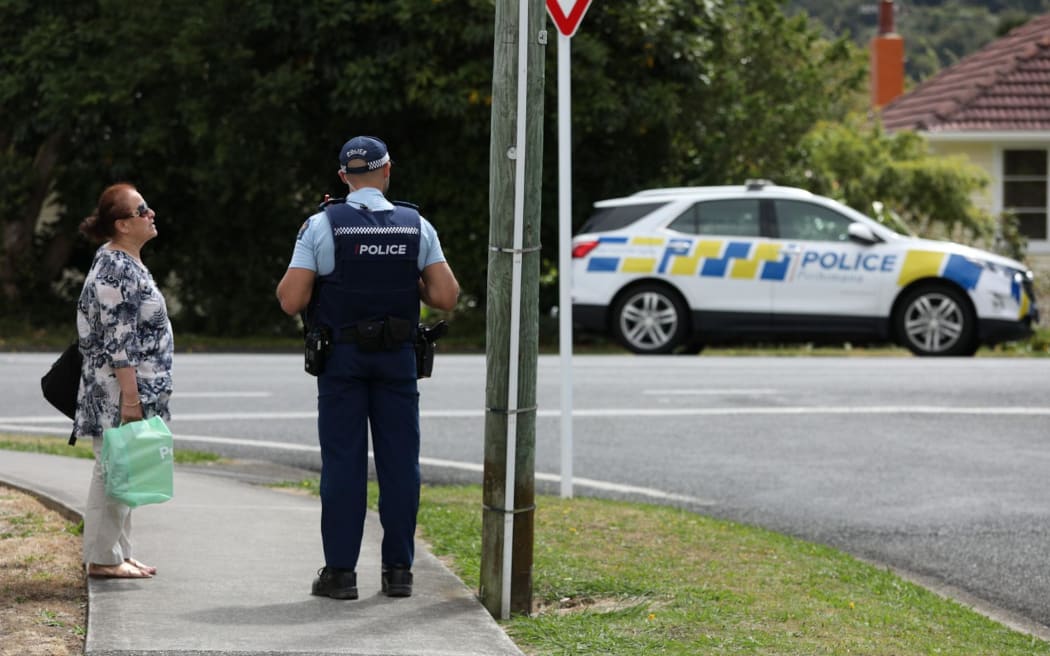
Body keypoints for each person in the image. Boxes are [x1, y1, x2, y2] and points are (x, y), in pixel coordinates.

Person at [276, 136, 459, 600]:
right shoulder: (416, 226)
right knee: (401, 466)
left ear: (343, 177)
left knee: (343, 465)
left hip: (342, 360)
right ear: (387, 170)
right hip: (397, 358)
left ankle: (340, 574)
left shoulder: (320, 226)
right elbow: (445, 296)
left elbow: (291, 299)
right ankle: (399, 572)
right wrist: (406, 278)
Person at [75, 183, 174, 579]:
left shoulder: (126, 261)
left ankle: (118, 553)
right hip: (118, 392)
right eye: (142, 210)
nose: (151, 213)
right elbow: (120, 341)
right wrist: (131, 399)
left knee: (125, 468)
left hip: (131, 391)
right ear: (122, 224)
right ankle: (102, 558)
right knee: (113, 469)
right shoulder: (115, 267)